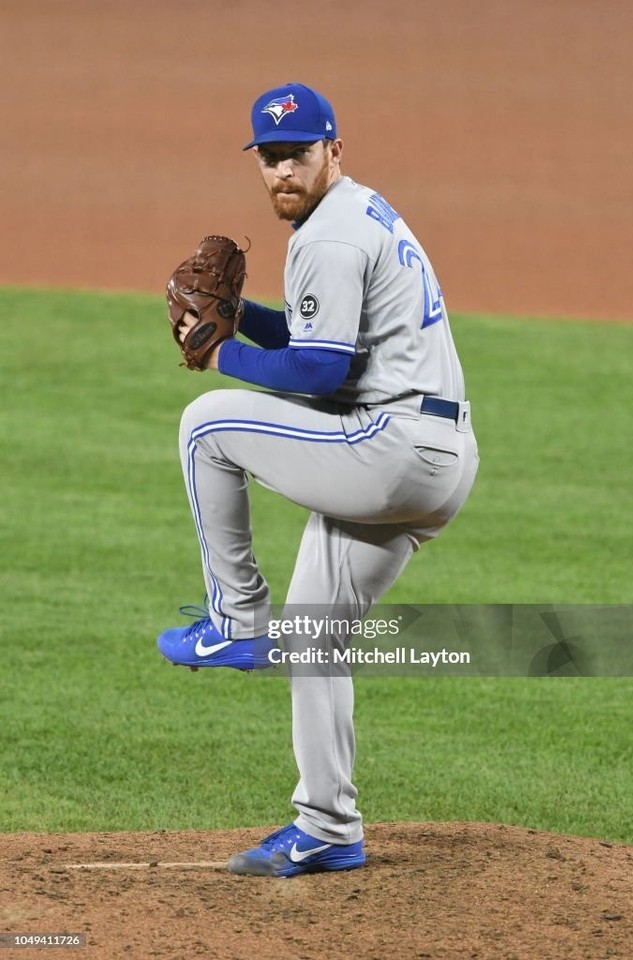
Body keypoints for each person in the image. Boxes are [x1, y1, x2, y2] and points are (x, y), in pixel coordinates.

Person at [157, 82, 479, 878]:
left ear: (335, 148)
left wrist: (217, 350)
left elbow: (318, 370)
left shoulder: (328, 237)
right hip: (437, 454)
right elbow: (319, 336)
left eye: (298, 153)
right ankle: (329, 825)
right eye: (269, 158)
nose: (282, 172)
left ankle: (235, 620)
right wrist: (243, 316)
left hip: (393, 446)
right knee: (314, 635)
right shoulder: (359, 213)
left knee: (207, 426)